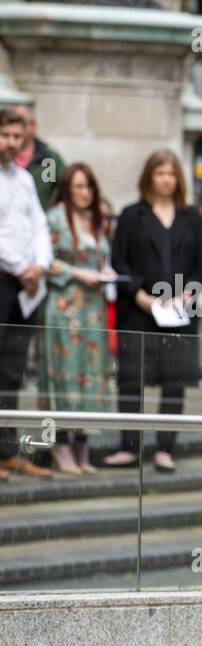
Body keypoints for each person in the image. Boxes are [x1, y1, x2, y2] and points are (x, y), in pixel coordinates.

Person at [105, 149, 202, 472]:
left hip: (179, 311)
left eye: (171, 173)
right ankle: (128, 447)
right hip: (138, 310)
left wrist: (186, 294)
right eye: (159, 173)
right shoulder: (130, 215)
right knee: (131, 379)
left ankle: (165, 448)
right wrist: (140, 296)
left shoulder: (191, 217)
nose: (166, 179)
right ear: (149, 177)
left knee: (174, 381)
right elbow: (118, 262)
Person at [43, 163, 114, 475]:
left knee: (92, 375)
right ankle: (60, 447)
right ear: (68, 188)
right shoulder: (54, 218)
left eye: (89, 187)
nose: (84, 193)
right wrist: (77, 273)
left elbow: (100, 259)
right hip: (65, 305)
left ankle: (82, 447)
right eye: (79, 186)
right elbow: (45, 261)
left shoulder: (96, 220)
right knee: (64, 373)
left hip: (93, 309)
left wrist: (105, 272)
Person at [0, 107, 54, 480]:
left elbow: (40, 225)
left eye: (18, 137)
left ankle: (6, 450)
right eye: (5, 135)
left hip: (25, 285)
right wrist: (21, 267)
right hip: (5, 278)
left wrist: (40, 264)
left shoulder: (23, 178)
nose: (12, 143)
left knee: (12, 370)